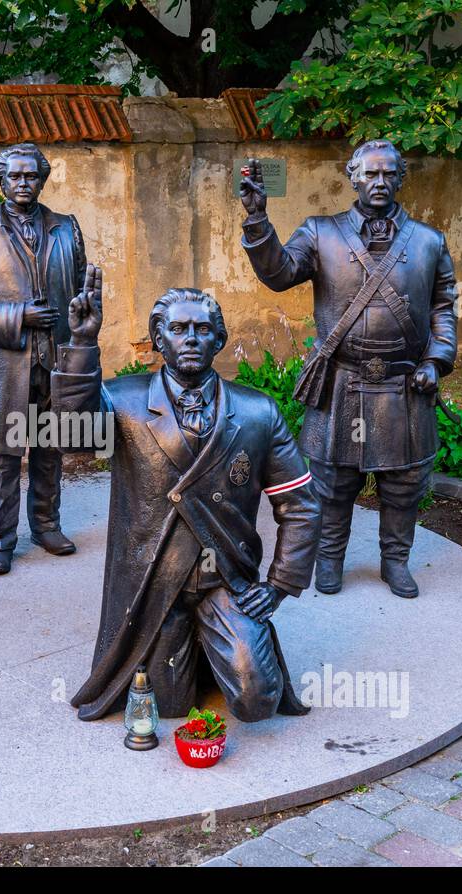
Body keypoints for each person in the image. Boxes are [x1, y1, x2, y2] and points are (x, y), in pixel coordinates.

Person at [53, 273, 320, 722]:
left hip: (225, 579)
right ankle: (187, 650)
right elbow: (72, 436)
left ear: (220, 339)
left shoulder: (258, 412)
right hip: (155, 583)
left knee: (258, 700)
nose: (191, 339)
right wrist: (82, 344)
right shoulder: (123, 401)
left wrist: (278, 586)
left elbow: (301, 505)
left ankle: (222, 643)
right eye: (178, 329)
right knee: (170, 708)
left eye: (202, 329)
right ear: (158, 339)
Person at [239, 141, 458, 598]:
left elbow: (443, 309)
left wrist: (437, 360)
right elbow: (279, 273)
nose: (379, 183)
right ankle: (330, 561)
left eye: (388, 174)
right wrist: (258, 220)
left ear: (401, 179)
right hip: (341, 381)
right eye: (370, 174)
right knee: (332, 483)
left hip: (404, 384)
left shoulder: (429, 242)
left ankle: (395, 562)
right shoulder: (321, 233)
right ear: (353, 176)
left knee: (403, 485)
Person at [0, 143, 87, 575]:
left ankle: (46, 525)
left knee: (51, 449)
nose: (24, 183)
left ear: (42, 179)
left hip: (54, 360)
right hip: (5, 363)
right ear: (1, 181)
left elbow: (82, 291)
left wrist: (85, 320)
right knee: (4, 457)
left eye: (32, 176)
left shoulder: (67, 228)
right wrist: (17, 315)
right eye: (16, 176)